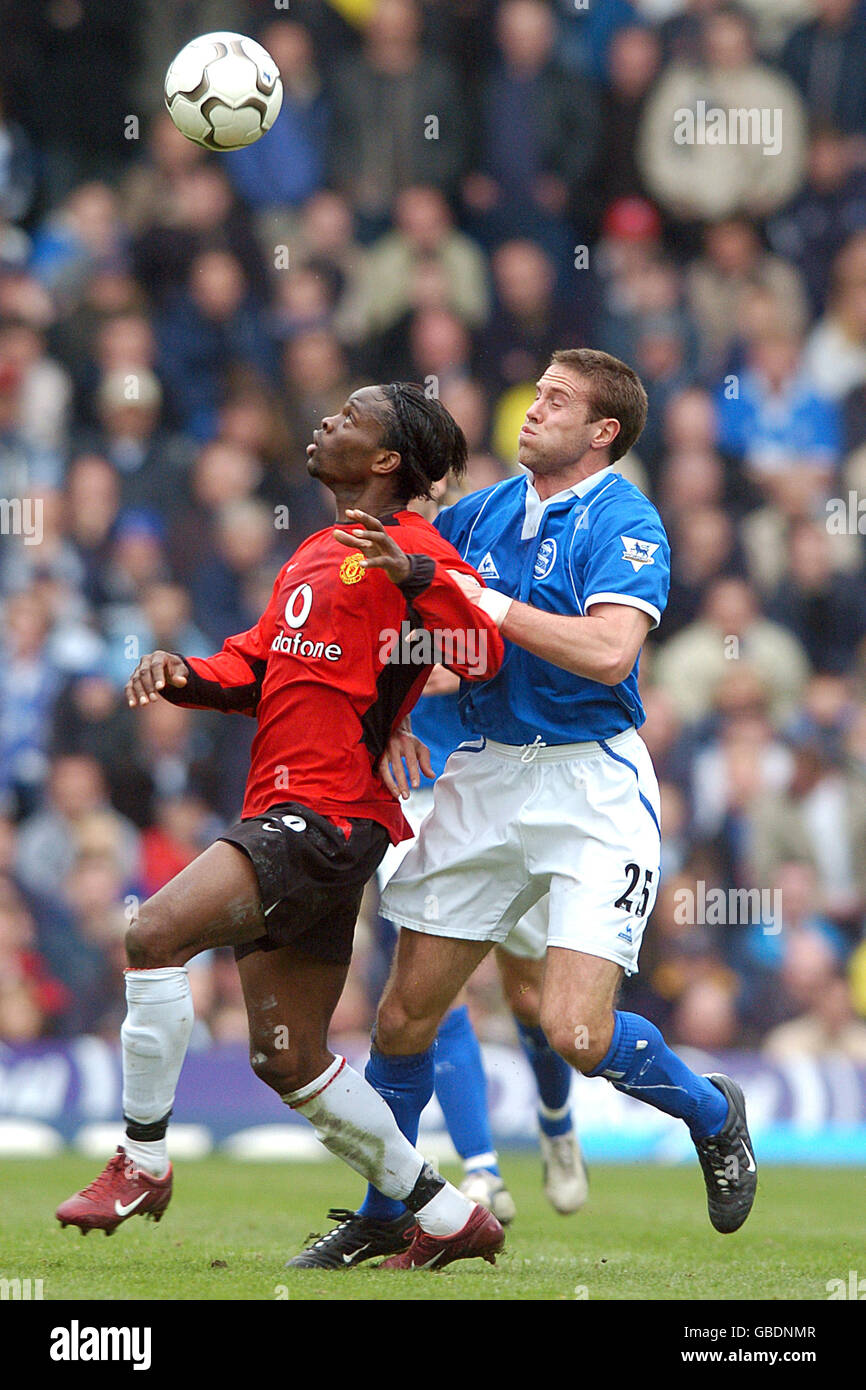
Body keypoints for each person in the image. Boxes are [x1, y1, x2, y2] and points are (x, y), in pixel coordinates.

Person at [295, 348, 758, 1271]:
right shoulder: (479, 514)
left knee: (576, 1034)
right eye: (536, 392)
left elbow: (607, 651)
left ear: (603, 433)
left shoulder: (626, 518)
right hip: (486, 772)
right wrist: (389, 714)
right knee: (400, 1022)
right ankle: (390, 1210)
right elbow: (424, 625)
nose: (533, 408)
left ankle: (715, 1112)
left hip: (591, 784)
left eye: (557, 400)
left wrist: (482, 600)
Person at [55, 382, 510, 1273]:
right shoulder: (314, 549)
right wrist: (184, 673)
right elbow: (261, 660)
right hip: (292, 810)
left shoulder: (414, 550)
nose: (325, 421)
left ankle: (141, 1160)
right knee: (287, 1056)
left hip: (327, 810)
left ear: (387, 461)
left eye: (350, 418)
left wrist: (419, 577)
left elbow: (483, 649)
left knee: (151, 931)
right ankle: (452, 1216)